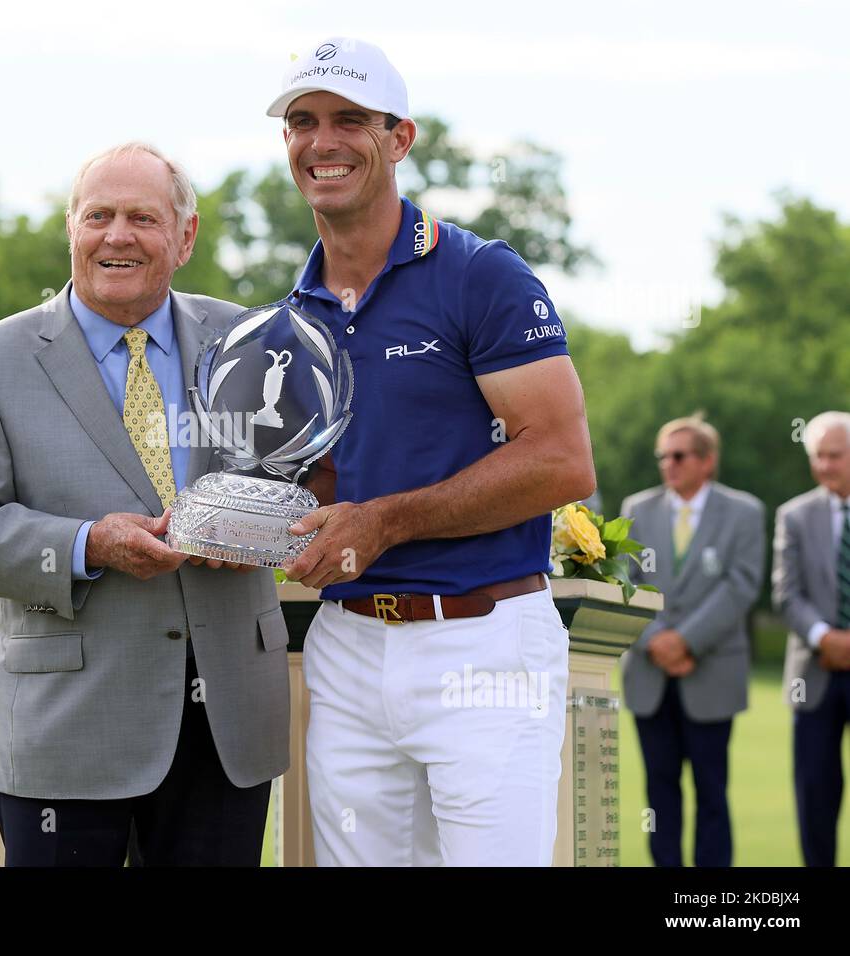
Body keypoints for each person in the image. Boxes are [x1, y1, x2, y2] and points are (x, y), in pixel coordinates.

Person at [273, 36, 595, 866]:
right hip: (344, 644)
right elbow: (316, 484)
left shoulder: (481, 274)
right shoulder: (289, 314)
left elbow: (561, 461)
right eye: (303, 122)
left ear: (399, 137)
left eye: (351, 119)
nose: (323, 141)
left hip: (481, 641)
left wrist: (382, 523)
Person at [0, 142, 290, 866]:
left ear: (184, 238)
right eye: (99, 215)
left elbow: (299, 486)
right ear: (71, 228)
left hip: (225, 730)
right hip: (68, 731)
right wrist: (89, 543)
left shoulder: (253, 344)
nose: (117, 235)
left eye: (143, 218)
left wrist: (245, 529)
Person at [621, 415, 765, 867]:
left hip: (712, 673)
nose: (669, 464)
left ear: (707, 461)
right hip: (650, 675)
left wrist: (685, 642)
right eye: (663, 455)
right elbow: (622, 582)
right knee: (658, 794)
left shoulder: (744, 511)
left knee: (711, 792)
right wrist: (657, 641)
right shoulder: (636, 509)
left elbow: (741, 585)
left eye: (679, 455)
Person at [773, 410, 850, 866]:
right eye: (817, 456)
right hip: (814, 675)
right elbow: (786, 593)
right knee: (815, 796)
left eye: (834, 456)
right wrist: (827, 638)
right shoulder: (794, 515)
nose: (824, 466)